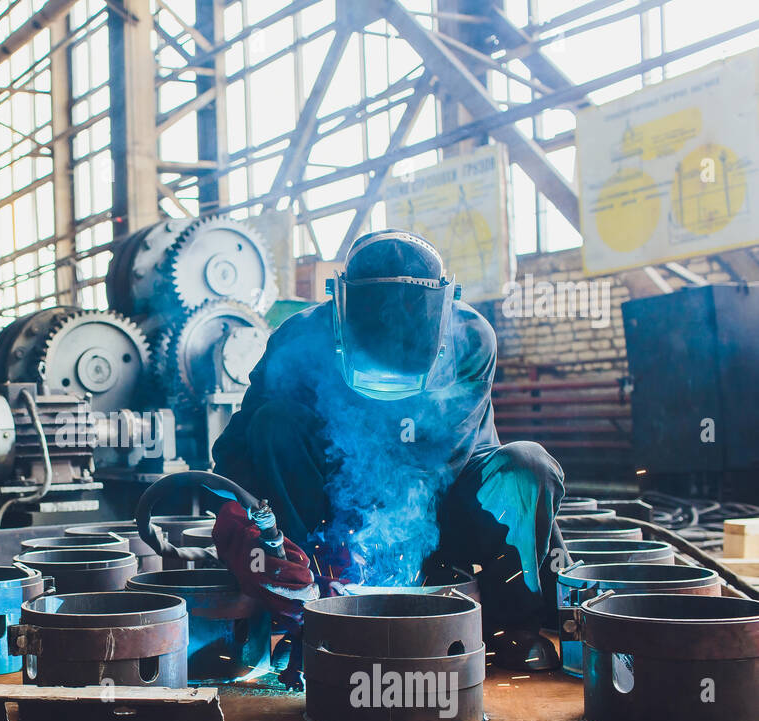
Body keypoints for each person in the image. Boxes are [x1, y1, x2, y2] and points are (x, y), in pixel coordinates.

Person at [212, 229, 566, 671]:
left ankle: (511, 625)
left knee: (525, 466)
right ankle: (311, 613)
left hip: (447, 504)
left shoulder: (471, 340)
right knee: (274, 424)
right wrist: (241, 523)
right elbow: (237, 447)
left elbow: (427, 471)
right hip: (327, 519)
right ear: (338, 306)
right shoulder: (298, 342)